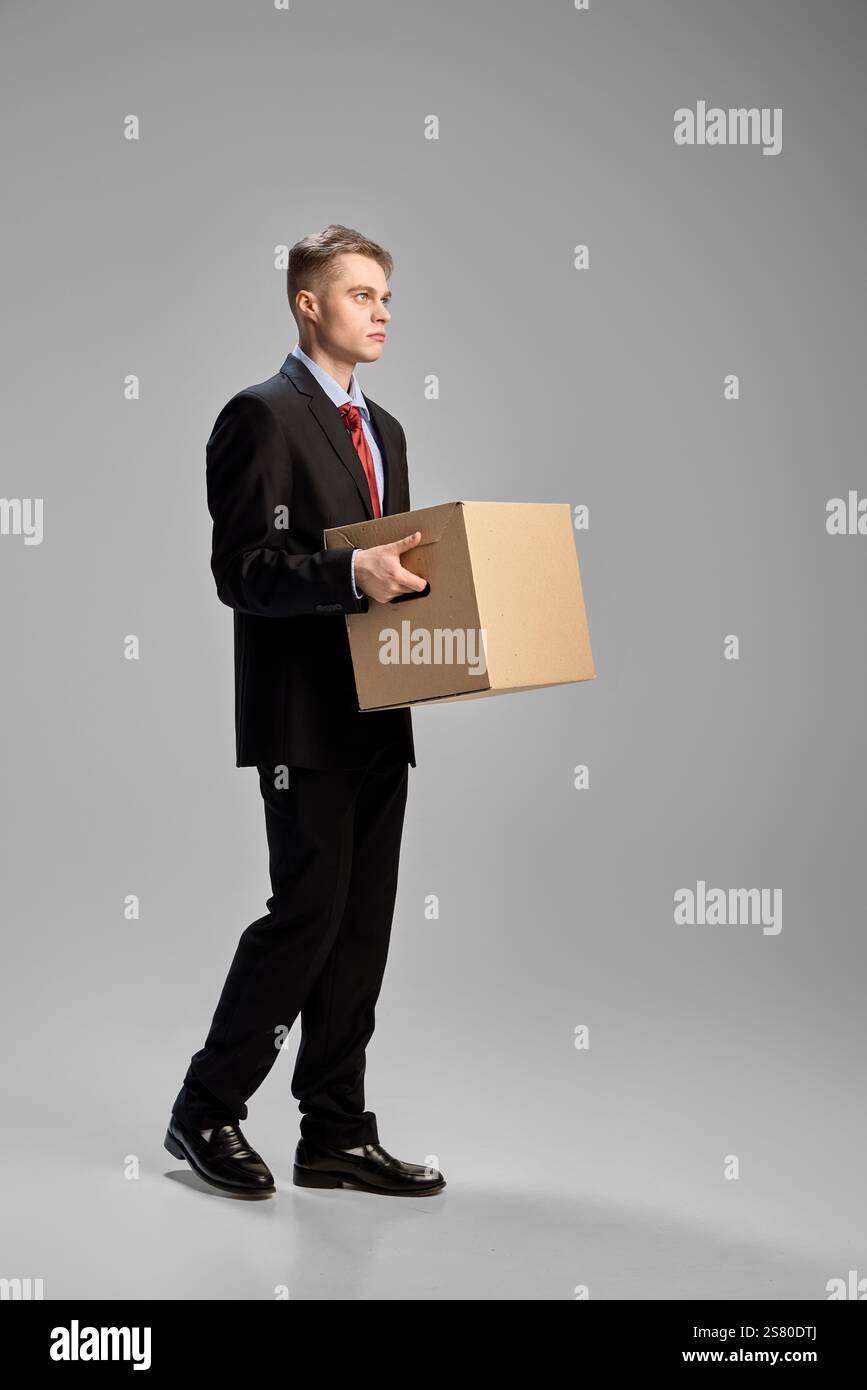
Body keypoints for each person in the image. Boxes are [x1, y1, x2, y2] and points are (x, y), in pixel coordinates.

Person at [165, 224, 446, 1198]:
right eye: (362, 295)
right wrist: (346, 570)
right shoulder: (260, 418)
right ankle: (205, 1107)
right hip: (303, 718)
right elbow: (243, 573)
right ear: (308, 303)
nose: (381, 313)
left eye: (386, 298)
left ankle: (334, 1131)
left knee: (362, 927)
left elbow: (391, 578)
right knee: (308, 915)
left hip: (382, 711)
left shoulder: (390, 431)